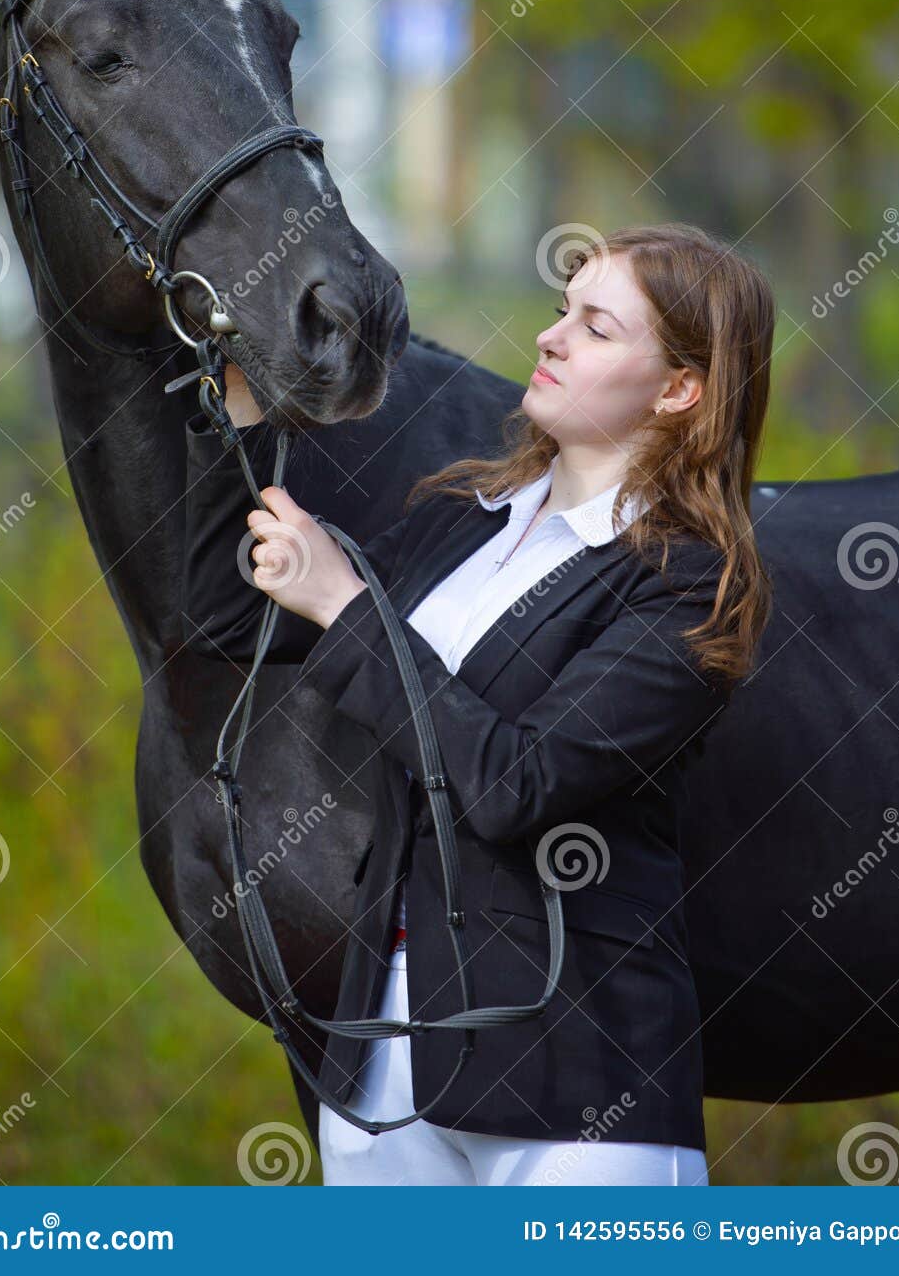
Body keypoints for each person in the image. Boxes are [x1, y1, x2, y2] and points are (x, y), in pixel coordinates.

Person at [181, 221, 775, 1185]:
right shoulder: (462, 522)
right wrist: (246, 409)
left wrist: (344, 601)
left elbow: (515, 784)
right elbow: (225, 612)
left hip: (580, 1086)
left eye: (596, 327)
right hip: (385, 1067)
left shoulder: (689, 582)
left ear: (679, 390)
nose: (550, 338)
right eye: (558, 314)